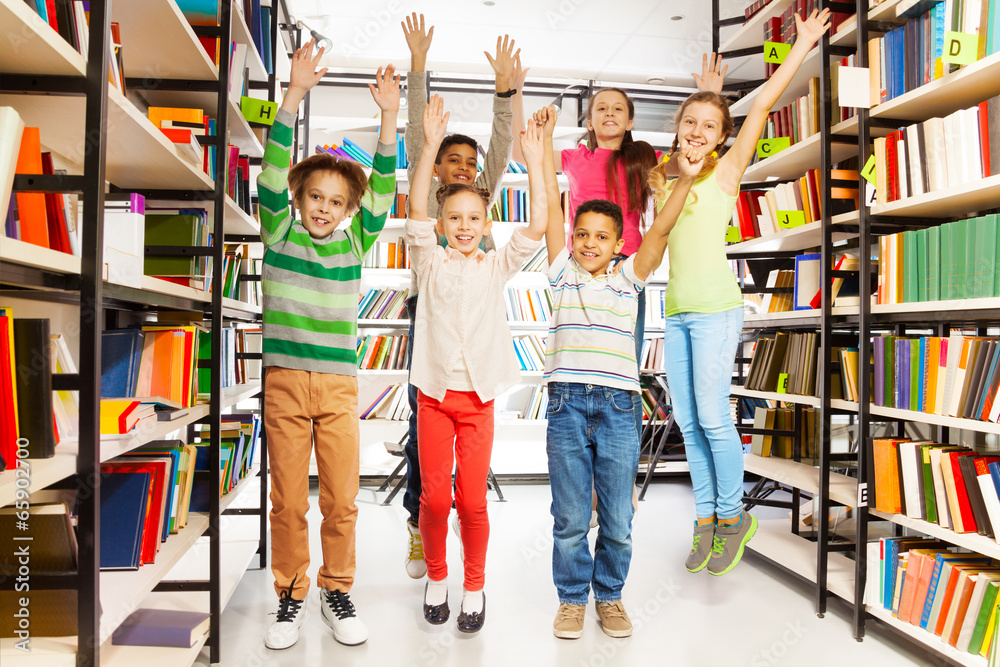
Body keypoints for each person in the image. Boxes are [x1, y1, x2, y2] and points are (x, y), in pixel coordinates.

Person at [647, 9, 832, 576]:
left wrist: (801, 44)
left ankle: (733, 518)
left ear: (723, 137)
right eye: (691, 122)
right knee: (688, 421)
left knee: (713, 417)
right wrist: (708, 97)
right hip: (676, 311)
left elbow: (765, 102)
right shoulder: (663, 177)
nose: (698, 131)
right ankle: (705, 518)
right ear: (679, 126)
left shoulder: (726, 172)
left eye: (710, 126)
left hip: (716, 311)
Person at [534, 104, 703, 639]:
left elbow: (662, 229)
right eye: (582, 234)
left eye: (601, 237)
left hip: (618, 408)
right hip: (566, 405)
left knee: (618, 518)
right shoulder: (561, 275)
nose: (589, 243)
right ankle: (571, 600)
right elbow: (551, 207)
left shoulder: (629, 280)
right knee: (569, 518)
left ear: (618, 245)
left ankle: (609, 597)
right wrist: (540, 153)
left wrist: (685, 179)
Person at [257, 39, 399, 650]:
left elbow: (384, 191)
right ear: (298, 199)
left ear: (348, 210)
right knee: (289, 501)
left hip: (339, 386)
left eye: (336, 202)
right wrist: (292, 94)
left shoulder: (354, 243)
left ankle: (335, 590)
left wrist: (389, 118)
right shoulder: (279, 232)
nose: (323, 207)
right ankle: (290, 595)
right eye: (314, 196)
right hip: (286, 382)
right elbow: (270, 172)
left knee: (342, 499)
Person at [405, 94, 547, 632]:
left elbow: (537, 223)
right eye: (454, 218)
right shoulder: (428, 260)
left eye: (473, 219)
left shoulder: (496, 266)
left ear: (487, 224)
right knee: (434, 500)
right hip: (434, 398)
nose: (464, 226)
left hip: (479, 401)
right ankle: (436, 577)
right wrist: (428, 147)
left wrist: (535, 162)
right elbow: (415, 207)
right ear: (441, 223)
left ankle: (474, 586)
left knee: (471, 502)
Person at [398, 12, 525, 579]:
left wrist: (504, 91)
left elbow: (501, 145)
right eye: (455, 160)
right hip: (428, 315)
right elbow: (417, 133)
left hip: (477, 318)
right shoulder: (429, 201)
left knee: (470, 432)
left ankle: (464, 512)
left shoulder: (480, 200)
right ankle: (420, 520)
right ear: (438, 166)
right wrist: (418, 64)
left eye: (472, 165)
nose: (467, 169)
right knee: (421, 428)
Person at [547, 54, 728, 448]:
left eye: (618, 109)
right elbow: (527, 159)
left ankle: (621, 459)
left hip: (626, 270)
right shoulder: (574, 158)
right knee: (577, 359)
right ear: (589, 121)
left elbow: (695, 158)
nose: (609, 113)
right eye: (601, 108)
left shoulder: (643, 158)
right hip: (578, 269)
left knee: (623, 367)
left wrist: (710, 99)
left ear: (630, 122)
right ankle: (581, 447)